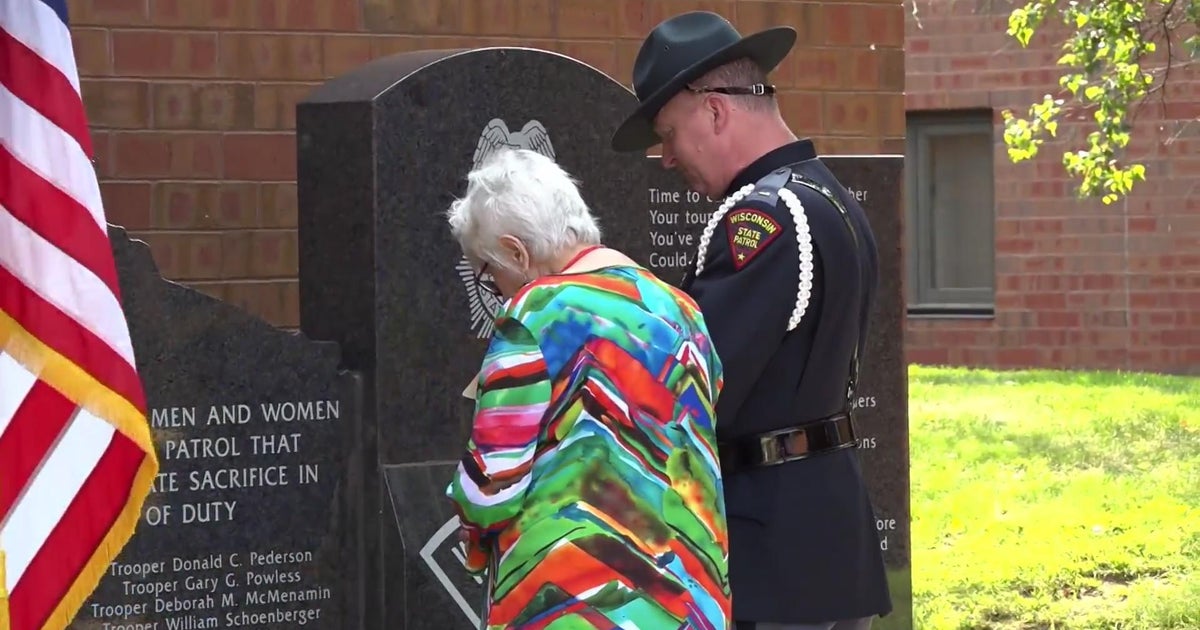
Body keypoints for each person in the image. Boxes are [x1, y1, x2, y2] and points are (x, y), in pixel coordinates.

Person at [610, 11, 892, 630]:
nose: (665, 157)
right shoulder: (825, 196)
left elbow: (700, 385)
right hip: (818, 535)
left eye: (668, 133)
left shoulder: (763, 220)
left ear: (714, 112)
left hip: (770, 548)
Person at [444, 148, 733, 629]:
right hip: (692, 601)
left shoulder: (538, 313)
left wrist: (469, 524)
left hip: (575, 603)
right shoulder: (683, 311)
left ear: (518, 252)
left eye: (490, 274)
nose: (498, 289)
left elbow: (492, 485)